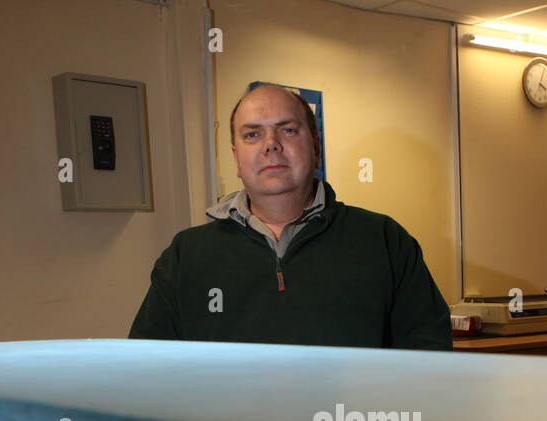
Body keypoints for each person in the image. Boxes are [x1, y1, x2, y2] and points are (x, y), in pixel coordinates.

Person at [129, 83, 452, 349]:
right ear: (236, 158)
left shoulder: (383, 240)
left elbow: (428, 357)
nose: (271, 145)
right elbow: (148, 367)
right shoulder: (187, 255)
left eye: (287, 130)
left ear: (315, 147)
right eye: (252, 134)